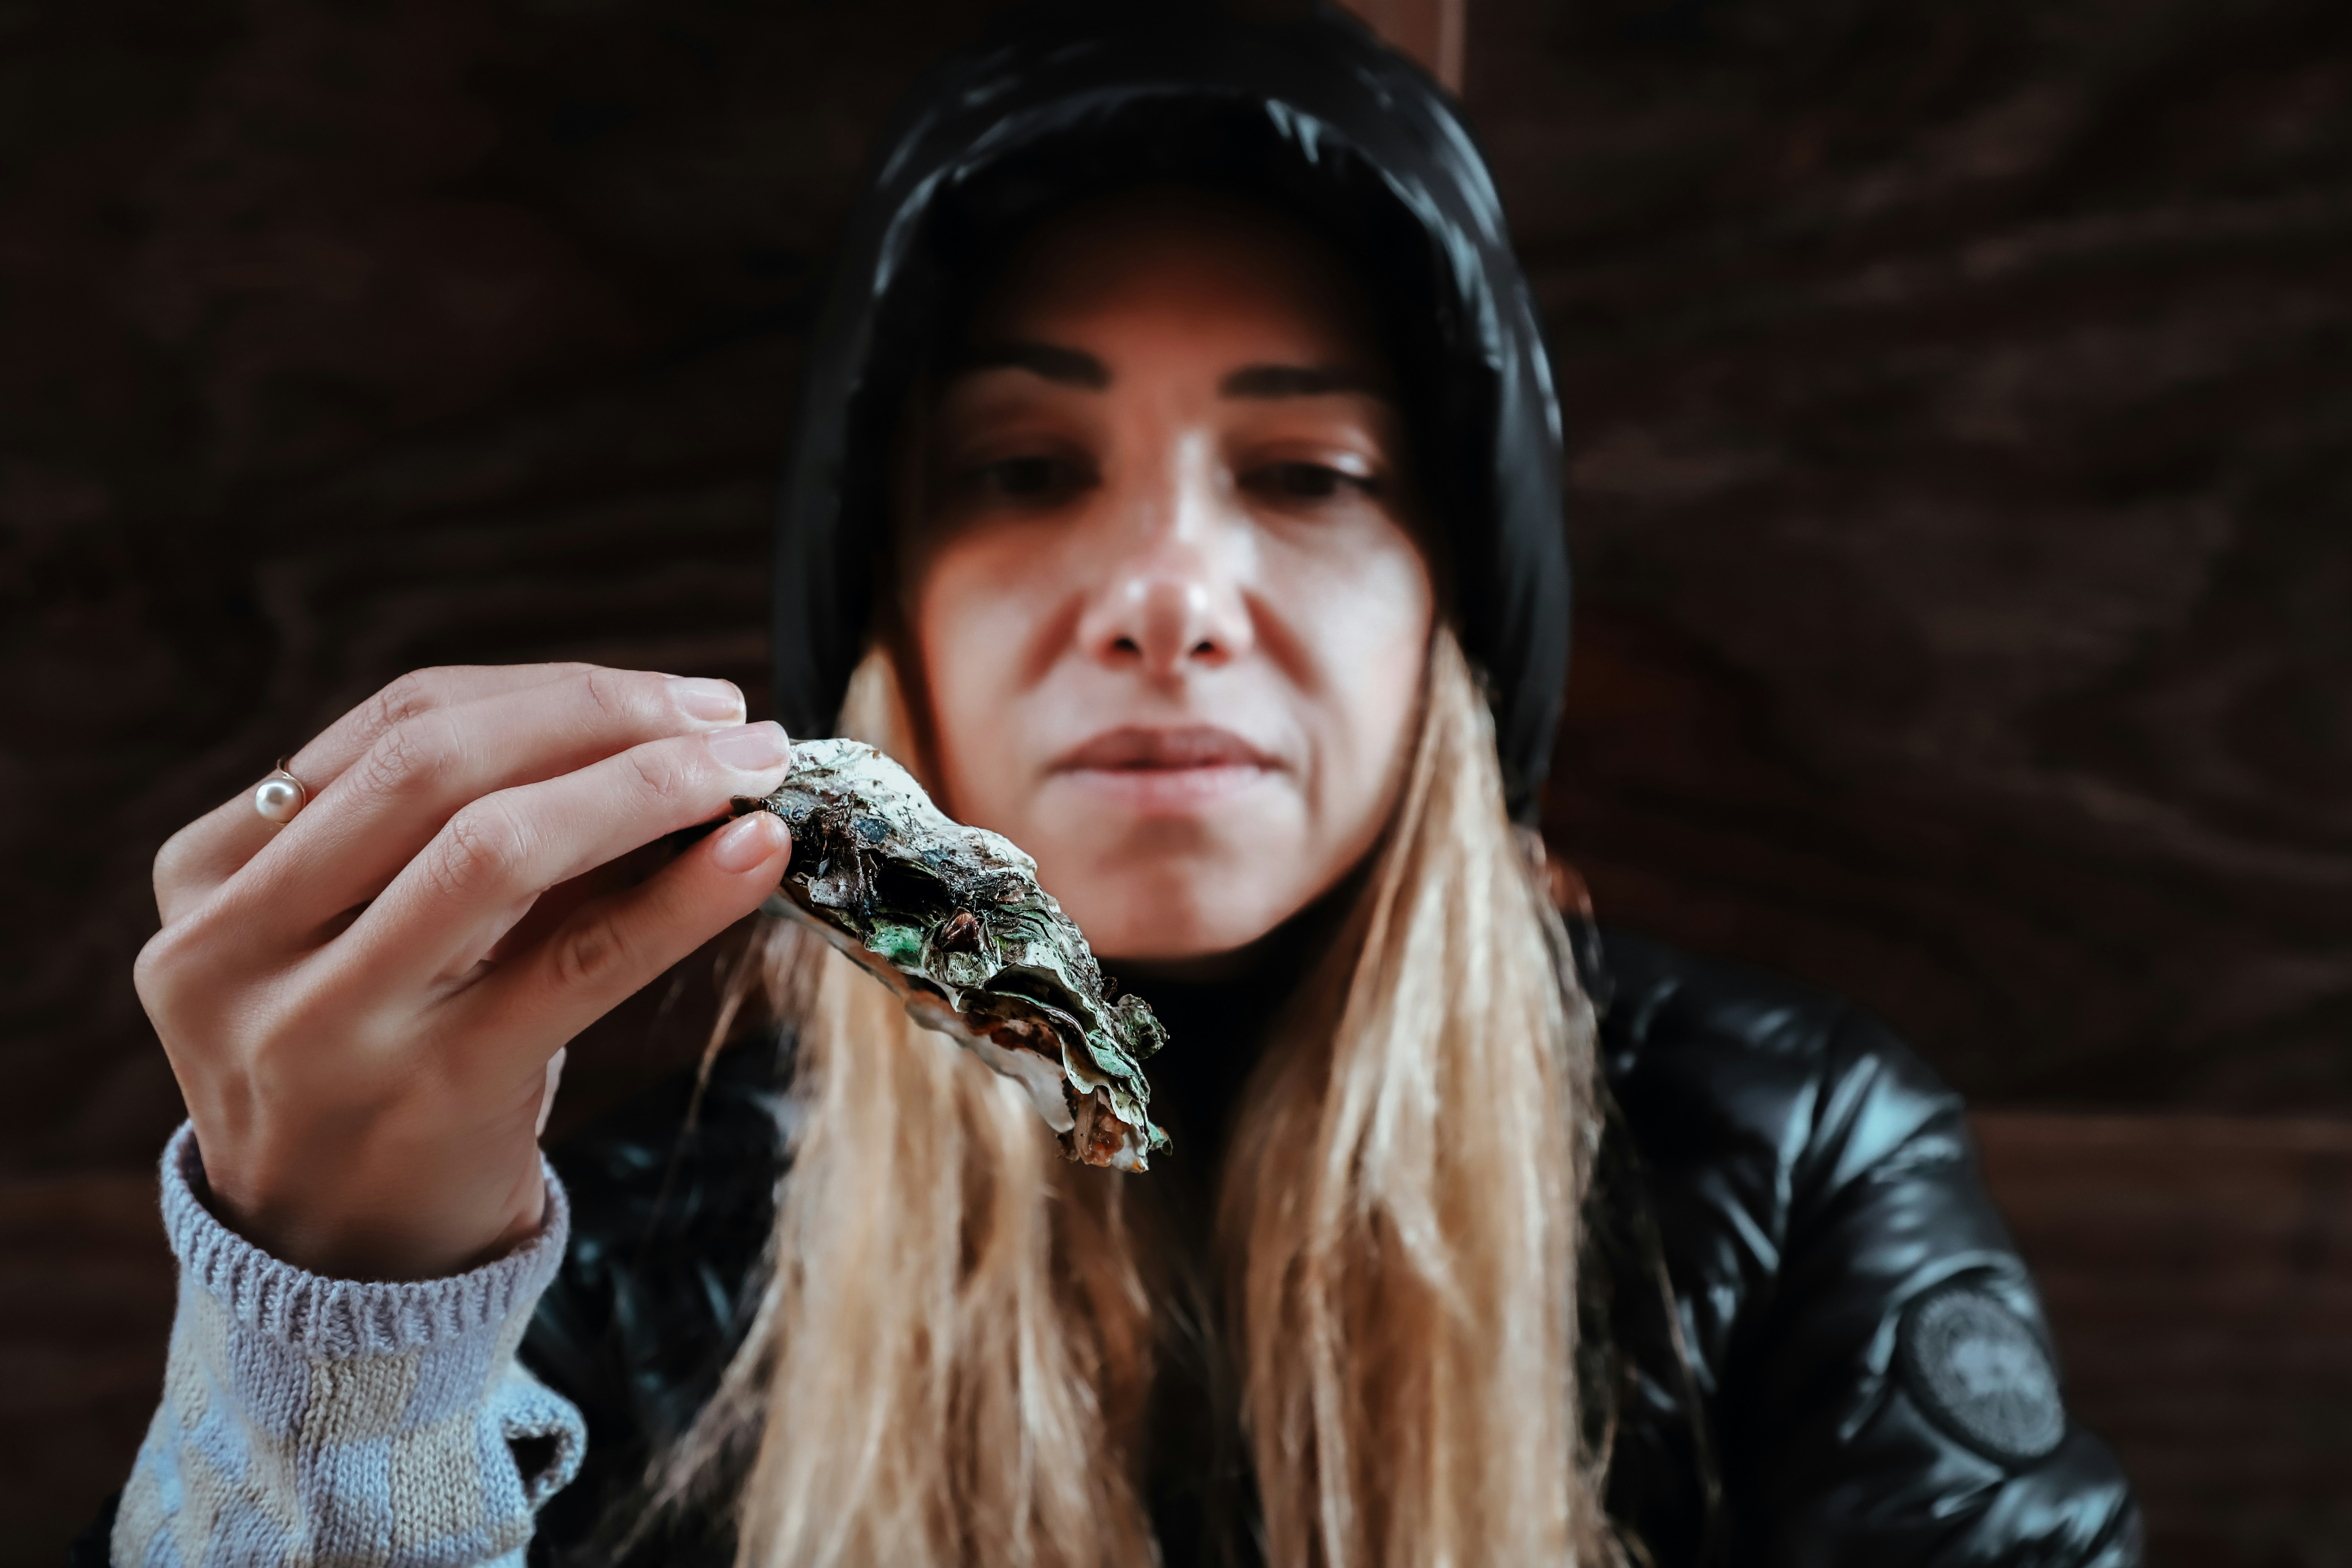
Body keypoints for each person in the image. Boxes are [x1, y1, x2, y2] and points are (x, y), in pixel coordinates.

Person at [90, 5, 2140, 1565]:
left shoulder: (1787, 1172)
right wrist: (334, 1366)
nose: (1167, 594)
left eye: (1308, 473)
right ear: (885, 609)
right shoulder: (605, 1270)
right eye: (1023, 469)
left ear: (1459, 612)